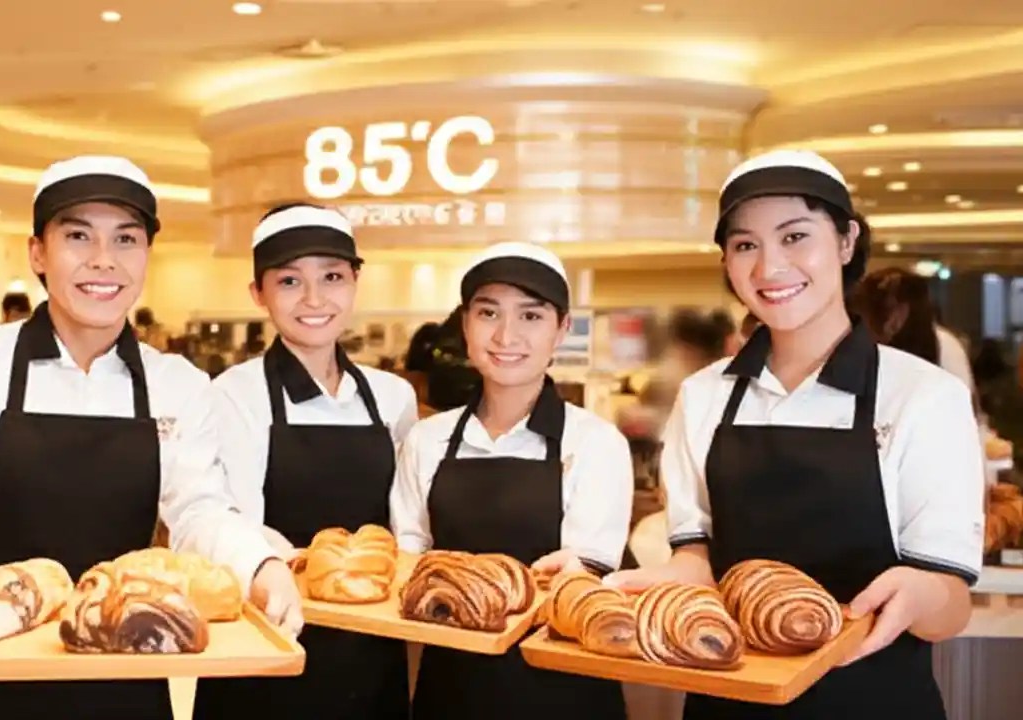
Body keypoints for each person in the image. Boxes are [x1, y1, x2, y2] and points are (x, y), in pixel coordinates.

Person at [0, 155, 301, 720]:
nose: (103, 261)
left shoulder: (178, 384)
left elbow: (199, 511)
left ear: (145, 256)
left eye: (126, 239)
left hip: (124, 679)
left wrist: (259, 565)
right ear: (37, 253)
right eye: (77, 236)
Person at [605, 150, 983, 719]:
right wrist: (652, 585)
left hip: (874, 699)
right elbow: (698, 559)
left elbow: (951, 604)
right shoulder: (704, 395)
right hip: (729, 695)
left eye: (795, 236)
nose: (769, 268)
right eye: (745, 245)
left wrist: (921, 593)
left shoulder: (923, 395)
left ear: (847, 241)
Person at [391, 241, 634, 720]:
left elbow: (586, 573)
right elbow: (408, 562)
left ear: (561, 329)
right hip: (450, 685)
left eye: (531, 316)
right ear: (465, 325)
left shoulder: (596, 443)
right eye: (488, 313)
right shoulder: (427, 440)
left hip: (563, 689)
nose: (507, 335)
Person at [193, 203, 418, 719]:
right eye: (290, 281)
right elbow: (238, 525)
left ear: (356, 282)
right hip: (269, 633)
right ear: (258, 293)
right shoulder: (233, 394)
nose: (315, 299)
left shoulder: (392, 397)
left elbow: (405, 525)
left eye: (333, 277)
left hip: (372, 642)